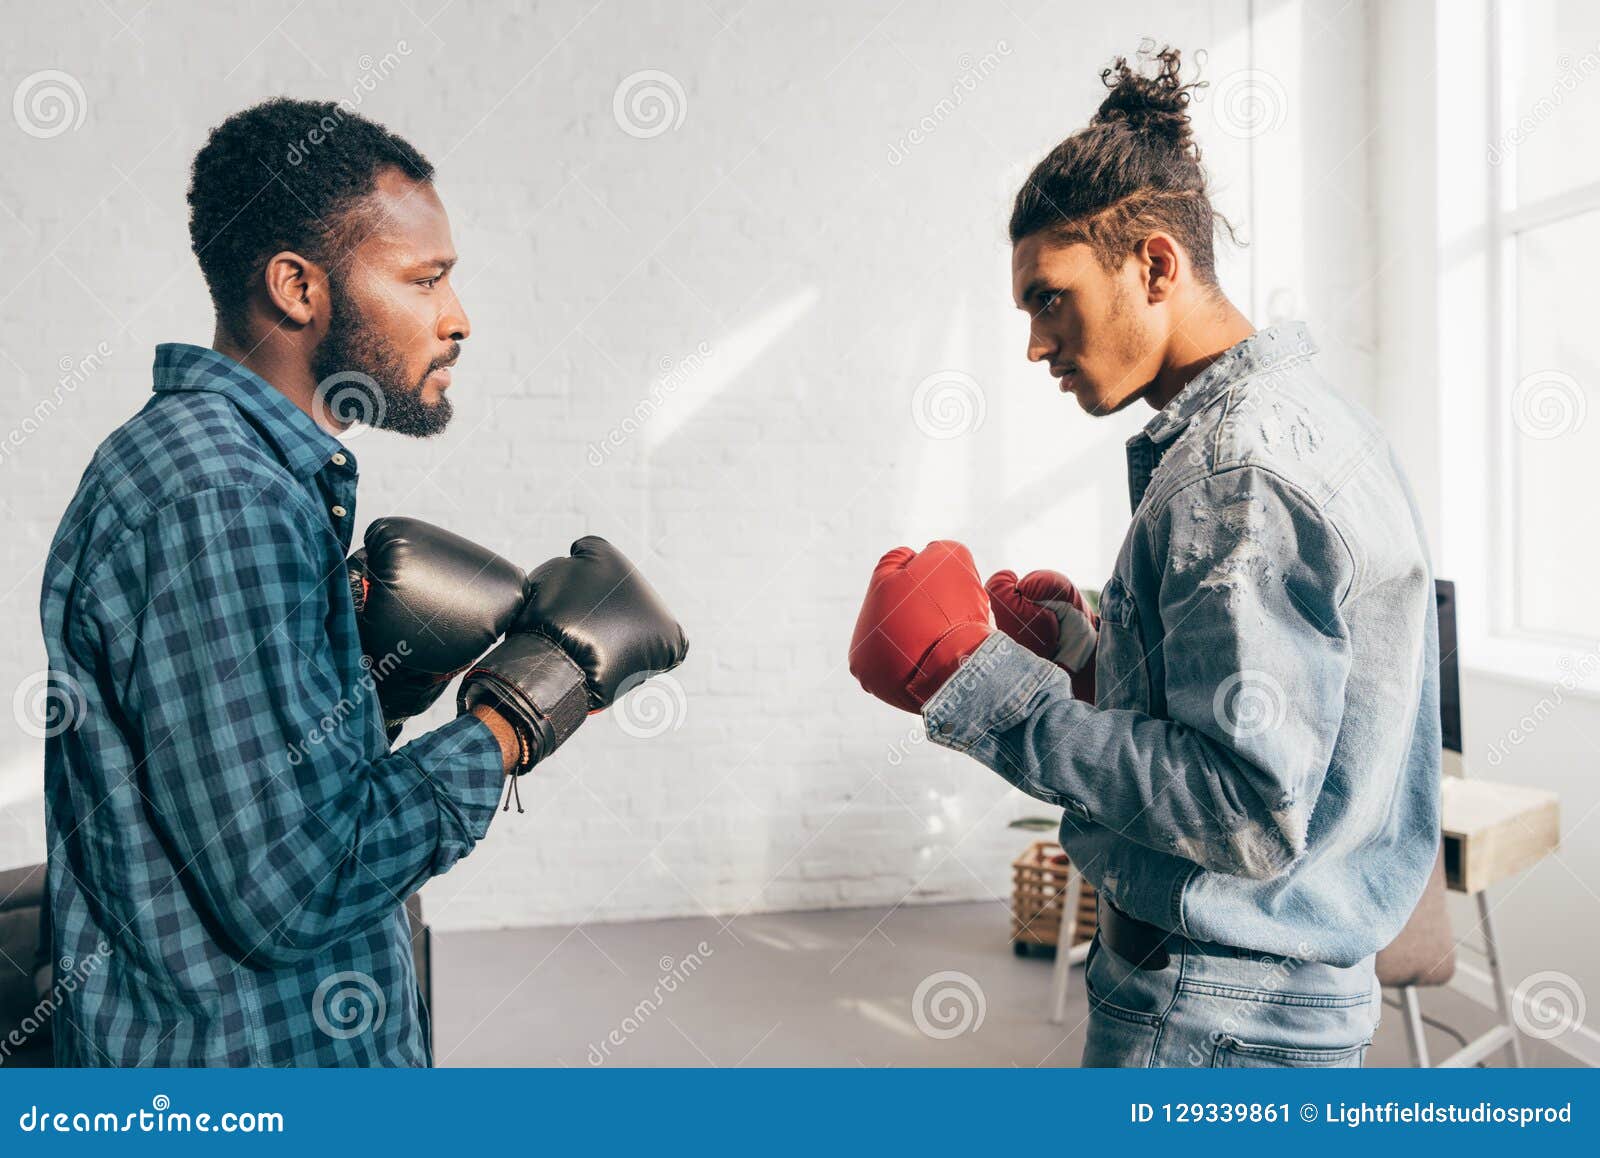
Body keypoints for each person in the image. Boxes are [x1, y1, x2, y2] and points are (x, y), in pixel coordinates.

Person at [39, 99, 686, 1066]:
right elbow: (297, 886)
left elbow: (238, 791)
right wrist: (525, 705)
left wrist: (379, 692)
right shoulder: (220, 497)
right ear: (299, 288)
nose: (457, 318)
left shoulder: (225, 471)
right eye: (424, 280)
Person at [847, 49, 1439, 1068]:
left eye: (1049, 298)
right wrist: (1095, 661)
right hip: (1266, 1004)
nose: (1036, 345)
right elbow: (1296, 732)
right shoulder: (1311, 424)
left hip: (1213, 1020)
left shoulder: (1232, 470)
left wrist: (979, 684)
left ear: (1154, 266)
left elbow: (1243, 807)